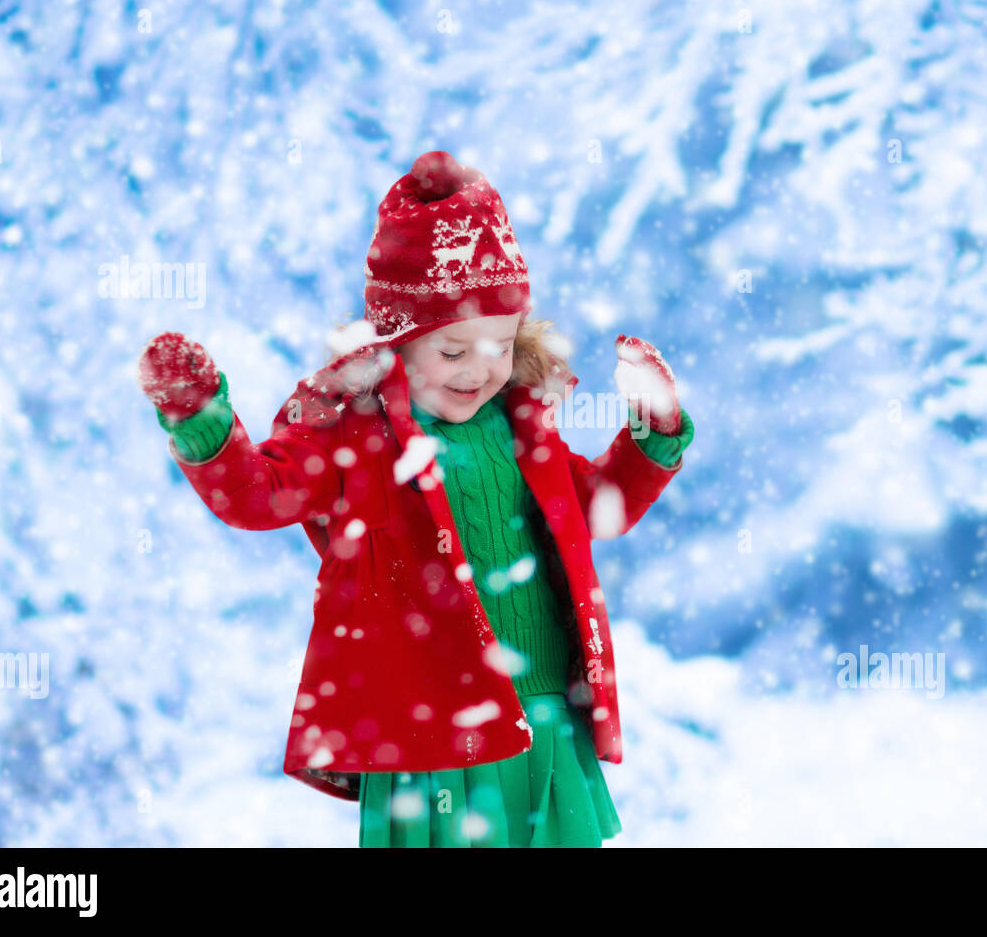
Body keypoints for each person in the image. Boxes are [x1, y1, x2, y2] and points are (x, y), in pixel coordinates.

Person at [136, 151, 695, 847]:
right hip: (438, 733)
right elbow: (261, 497)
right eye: (452, 350)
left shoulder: (520, 423)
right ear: (397, 345)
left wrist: (655, 434)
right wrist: (206, 428)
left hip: (548, 712)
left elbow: (597, 511)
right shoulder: (359, 433)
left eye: (498, 344)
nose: (480, 369)